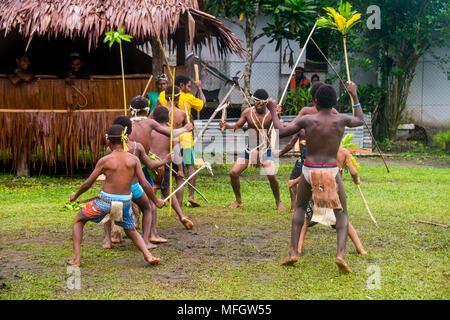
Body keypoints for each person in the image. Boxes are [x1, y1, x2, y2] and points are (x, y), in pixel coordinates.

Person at [267, 81, 364, 273]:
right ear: (334, 103)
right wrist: (354, 94)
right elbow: (360, 120)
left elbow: (281, 130)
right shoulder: (341, 120)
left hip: (309, 170)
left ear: (315, 102)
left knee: (300, 208)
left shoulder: (307, 120)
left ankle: (293, 252)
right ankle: (340, 255)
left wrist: (272, 110)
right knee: (342, 214)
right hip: (330, 171)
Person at [68, 124, 166, 267]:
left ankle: (76, 259)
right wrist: (156, 201)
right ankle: (148, 255)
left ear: (108, 141)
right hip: (124, 203)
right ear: (125, 140)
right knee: (131, 230)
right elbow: (144, 184)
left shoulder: (105, 160)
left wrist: (75, 195)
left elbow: (88, 183)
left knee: (79, 220)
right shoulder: (133, 160)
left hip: (105, 202)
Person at [104, 116, 173, 249]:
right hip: (134, 187)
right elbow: (150, 166)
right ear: (129, 131)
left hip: (117, 189)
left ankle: (111, 239)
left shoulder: (109, 150)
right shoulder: (137, 147)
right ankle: (145, 240)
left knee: (113, 208)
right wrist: (165, 160)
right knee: (148, 208)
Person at [219, 89, 286, 211]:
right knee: (233, 173)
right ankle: (238, 200)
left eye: (261, 104)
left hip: (266, 150)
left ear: (266, 103)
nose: (258, 106)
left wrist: (278, 114)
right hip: (250, 149)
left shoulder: (272, 113)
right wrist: (226, 125)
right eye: (256, 103)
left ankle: (278, 201)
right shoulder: (247, 112)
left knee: (271, 175)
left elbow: (279, 126)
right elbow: (237, 126)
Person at [297, 147, 366, 256]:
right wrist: (356, 179)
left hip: (318, 188)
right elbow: (353, 171)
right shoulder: (344, 152)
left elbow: (309, 170)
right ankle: (360, 249)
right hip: (334, 191)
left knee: (306, 220)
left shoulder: (320, 151)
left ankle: (299, 248)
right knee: (343, 219)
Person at [158, 75, 206, 207]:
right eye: (189, 87)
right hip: (184, 137)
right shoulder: (188, 98)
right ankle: (190, 196)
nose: (190, 89)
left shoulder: (162, 95)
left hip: (165, 136)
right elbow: (203, 104)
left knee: (165, 165)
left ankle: (164, 195)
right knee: (189, 166)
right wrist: (199, 88)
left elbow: (155, 112)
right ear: (181, 86)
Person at [149, 105, 194, 238]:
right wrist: (180, 169)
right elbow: (176, 152)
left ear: (153, 118)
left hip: (152, 165)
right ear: (168, 117)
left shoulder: (149, 131)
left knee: (151, 197)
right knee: (167, 191)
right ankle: (181, 216)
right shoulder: (171, 131)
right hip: (164, 167)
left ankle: (150, 230)